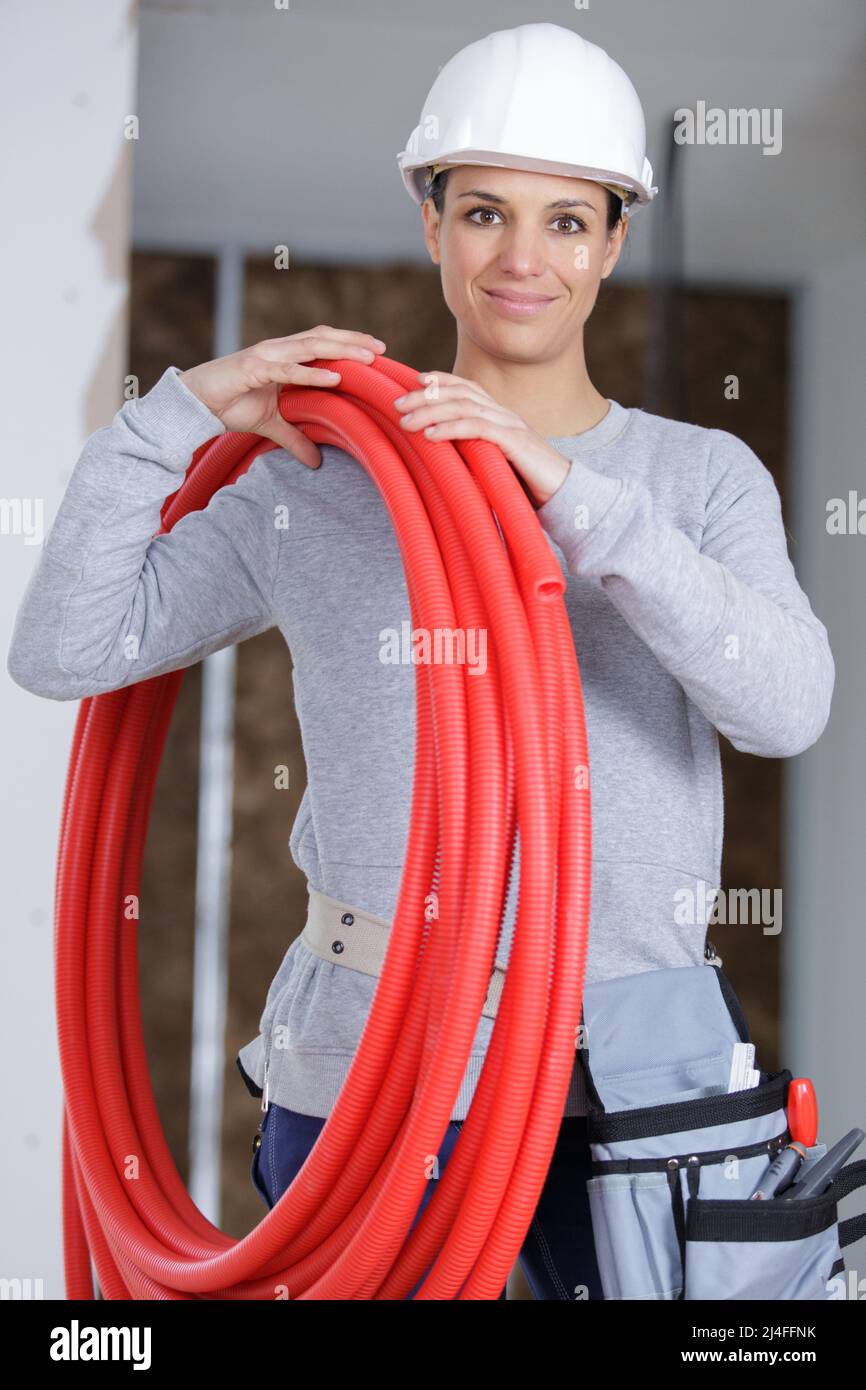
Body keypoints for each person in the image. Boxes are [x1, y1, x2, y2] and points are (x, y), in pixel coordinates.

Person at [6, 23, 833, 1300]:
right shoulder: (324, 482)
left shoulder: (693, 477)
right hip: (376, 1060)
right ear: (431, 223)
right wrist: (171, 420)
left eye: (566, 221)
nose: (522, 257)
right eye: (485, 211)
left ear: (612, 241)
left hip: (629, 1069)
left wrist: (567, 493)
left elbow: (785, 705)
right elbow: (64, 649)